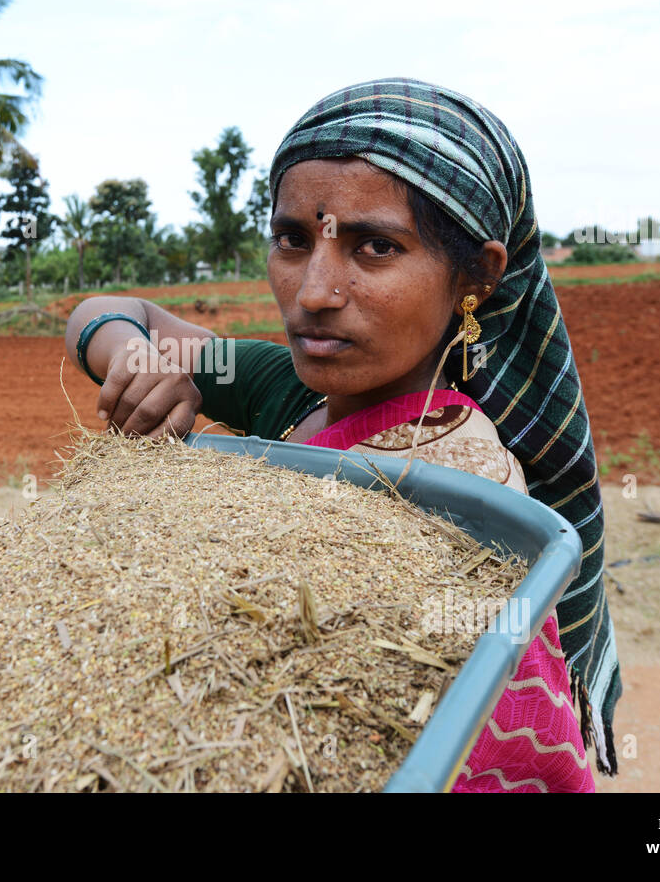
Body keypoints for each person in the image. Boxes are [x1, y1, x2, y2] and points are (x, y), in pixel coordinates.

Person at [63, 78, 620, 790]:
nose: (312, 292)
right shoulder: (289, 390)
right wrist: (132, 355)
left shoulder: (470, 507)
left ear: (475, 278)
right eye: (294, 239)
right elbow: (108, 311)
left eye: (376, 248)